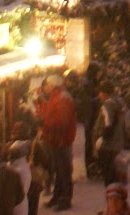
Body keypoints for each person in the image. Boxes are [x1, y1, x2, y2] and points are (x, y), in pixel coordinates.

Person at [41, 76, 79, 209]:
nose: (45, 87)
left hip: (62, 140)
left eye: (47, 84)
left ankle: (65, 199)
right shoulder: (56, 97)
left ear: (52, 85)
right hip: (56, 140)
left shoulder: (62, 98)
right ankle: (57, 196)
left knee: (64, 170)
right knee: (59, 170)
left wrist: (45, 123)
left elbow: (62, 122)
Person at [97, 82, 130, 184]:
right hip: (119, 141)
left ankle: (110, 189)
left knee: (108, 172)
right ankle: (116, 188)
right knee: (116, 170)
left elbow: (108, 123)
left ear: (105, 93)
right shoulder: (121, 102)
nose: (99, 95)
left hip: (108, 144)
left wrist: (102, 138)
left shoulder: (107, 104)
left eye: (100, 92)